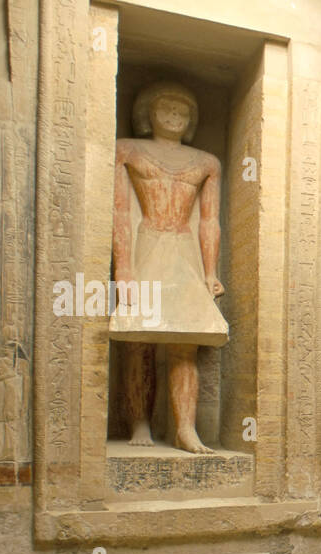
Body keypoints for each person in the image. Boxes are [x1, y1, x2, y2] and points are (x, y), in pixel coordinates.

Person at [112, 81, 226, 454]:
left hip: (184, 249)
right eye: (166, 110)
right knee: (138, 341)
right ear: (149, 114)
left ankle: (185, 430)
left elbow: (209, 222)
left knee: (186, 343)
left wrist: (210, 273)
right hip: (147, 242)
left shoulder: (207, 162)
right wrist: (123, 268)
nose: (174, 117)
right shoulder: (127, 150)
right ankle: (140, 423)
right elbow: (119, 212)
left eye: (182, 112)